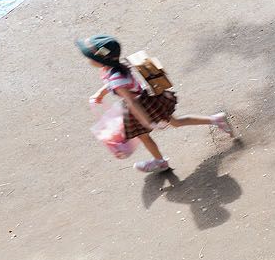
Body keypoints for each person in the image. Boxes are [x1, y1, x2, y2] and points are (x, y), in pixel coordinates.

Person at [81, 34, 233, 174]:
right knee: (175, 122)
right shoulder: (115, 68)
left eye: (90, 56)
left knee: (143, 135)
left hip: (141, 107)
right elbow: (113, 84)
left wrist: (146, 121)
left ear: (101, 59)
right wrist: (100, 93)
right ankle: (216, 119)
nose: (87, 59)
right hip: (149, 100)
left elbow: (130, 101)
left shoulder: (115, 77)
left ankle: (160, 162)